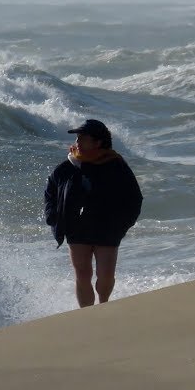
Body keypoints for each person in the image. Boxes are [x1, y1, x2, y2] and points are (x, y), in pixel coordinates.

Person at [44, 119, 143, 308]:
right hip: (76, 226)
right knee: (82, 275)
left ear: (98, 142)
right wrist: (52, 216)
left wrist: (122, 224)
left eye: (83, 138)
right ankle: (87, 314)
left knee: (105, 275)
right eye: (77, 138)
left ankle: (103, 306)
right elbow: (51, 191)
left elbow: (134, 198)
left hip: (107, 227)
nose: (78, 142)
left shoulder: (116, 165)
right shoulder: (68, 165)